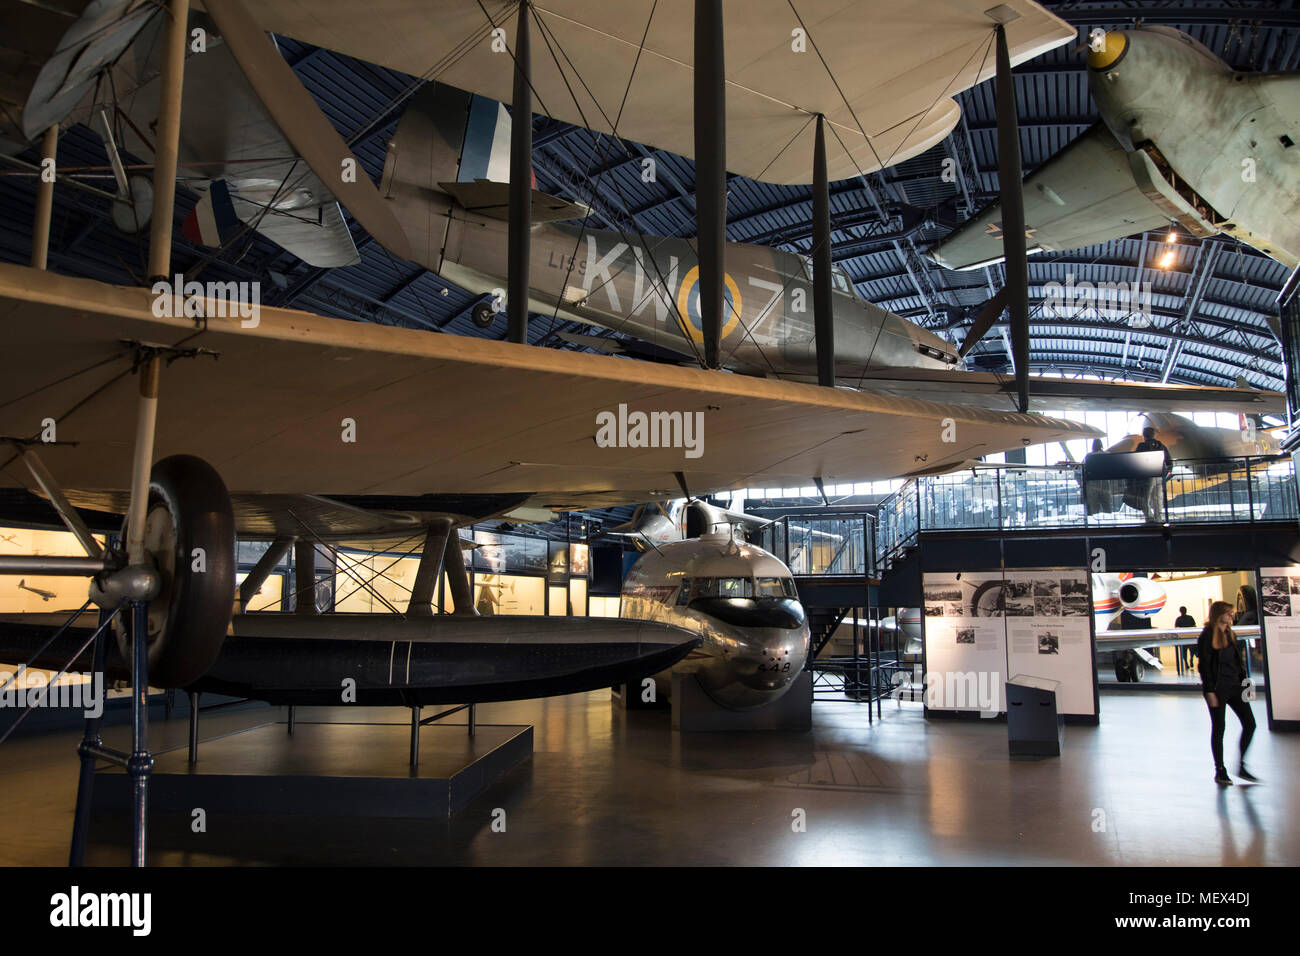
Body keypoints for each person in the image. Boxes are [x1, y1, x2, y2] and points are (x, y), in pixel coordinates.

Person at [1196, 601, 1257, 785]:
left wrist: (1246, 685)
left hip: (1235, 686)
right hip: (1217, 689)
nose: (1232, 616)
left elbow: (1238, 663)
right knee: (1219, 728)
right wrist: (1209, 691)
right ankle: (1220, 770)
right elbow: (1204, 666)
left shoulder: (1231, 634)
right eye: (1228, 613)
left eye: (1232, 613)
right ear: (1219, 614)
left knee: (1250, 724)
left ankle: (1241, 765)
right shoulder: (1207, 636)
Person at [1134, 426, 1172, 522]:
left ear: (1144, 435)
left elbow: (1136, 460)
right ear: (1154, 434)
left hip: (1147, 475)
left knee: (1145, 498)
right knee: (1158, 498)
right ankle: (1158, 518)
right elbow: (1169, 460)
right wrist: (1167, 471)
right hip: (1159, 474)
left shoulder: (1141, 446)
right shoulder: (1161, 445)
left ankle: (1149, 518)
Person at [1175, 605, 1196, 673]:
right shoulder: (1189, 618)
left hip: (1184, 638)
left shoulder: (1179, 619)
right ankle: (1189, 661)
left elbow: (1176, 628)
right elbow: (1194, 626)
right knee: (1189, 651)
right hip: (1188, 637)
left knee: (1185, 651)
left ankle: (1188, 662)